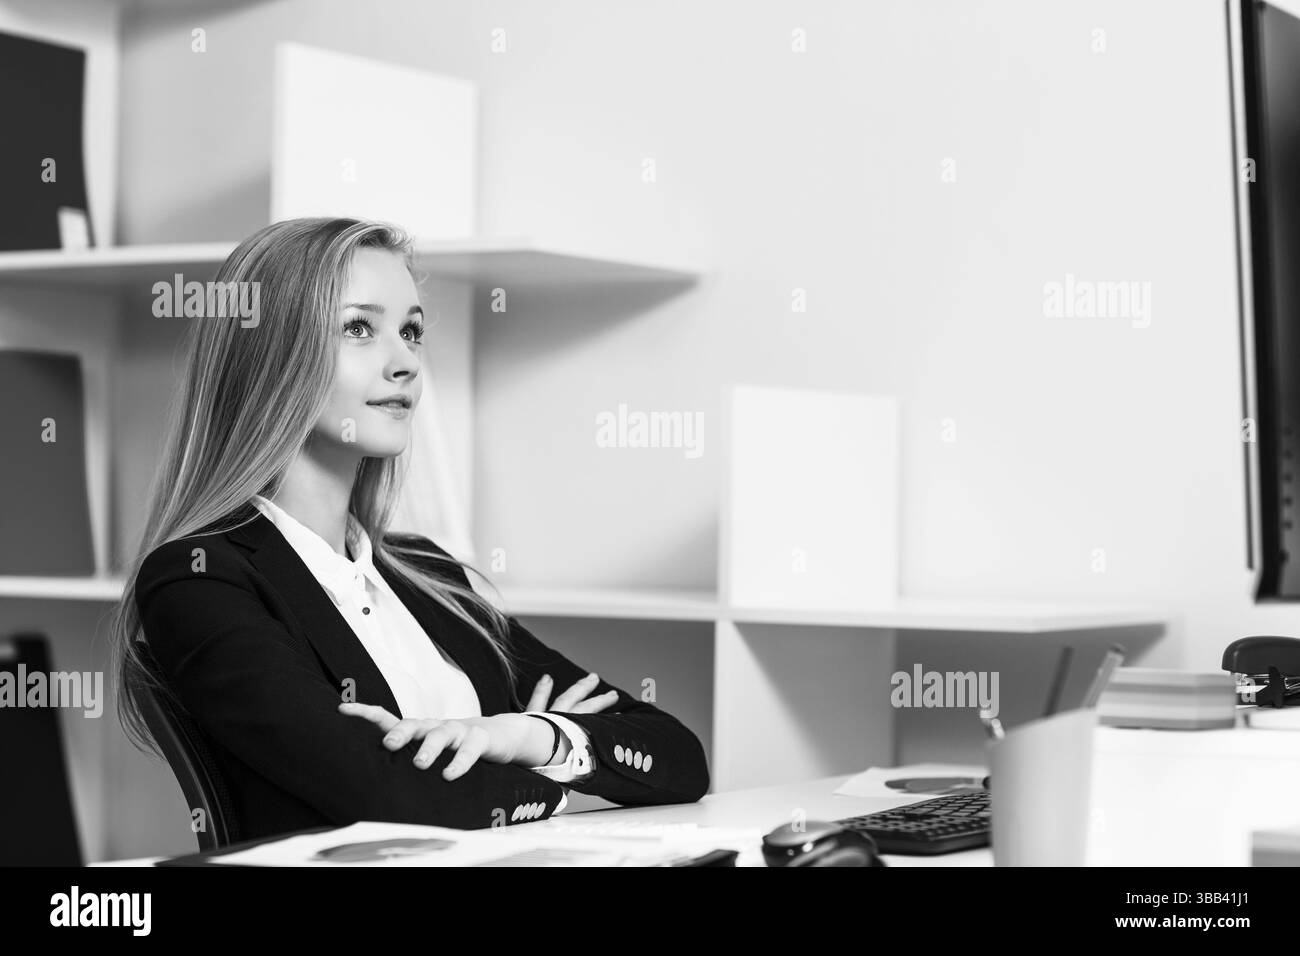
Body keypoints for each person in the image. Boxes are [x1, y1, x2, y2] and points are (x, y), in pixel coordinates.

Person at [110, 217, 710, 842]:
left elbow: (677, 757)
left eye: (412, 331)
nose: (405, 364)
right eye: (359, 328)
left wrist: (519, 734)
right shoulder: (198, 578)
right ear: (269, 354)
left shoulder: (427, 574)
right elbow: (388, 795)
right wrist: (555, 775)